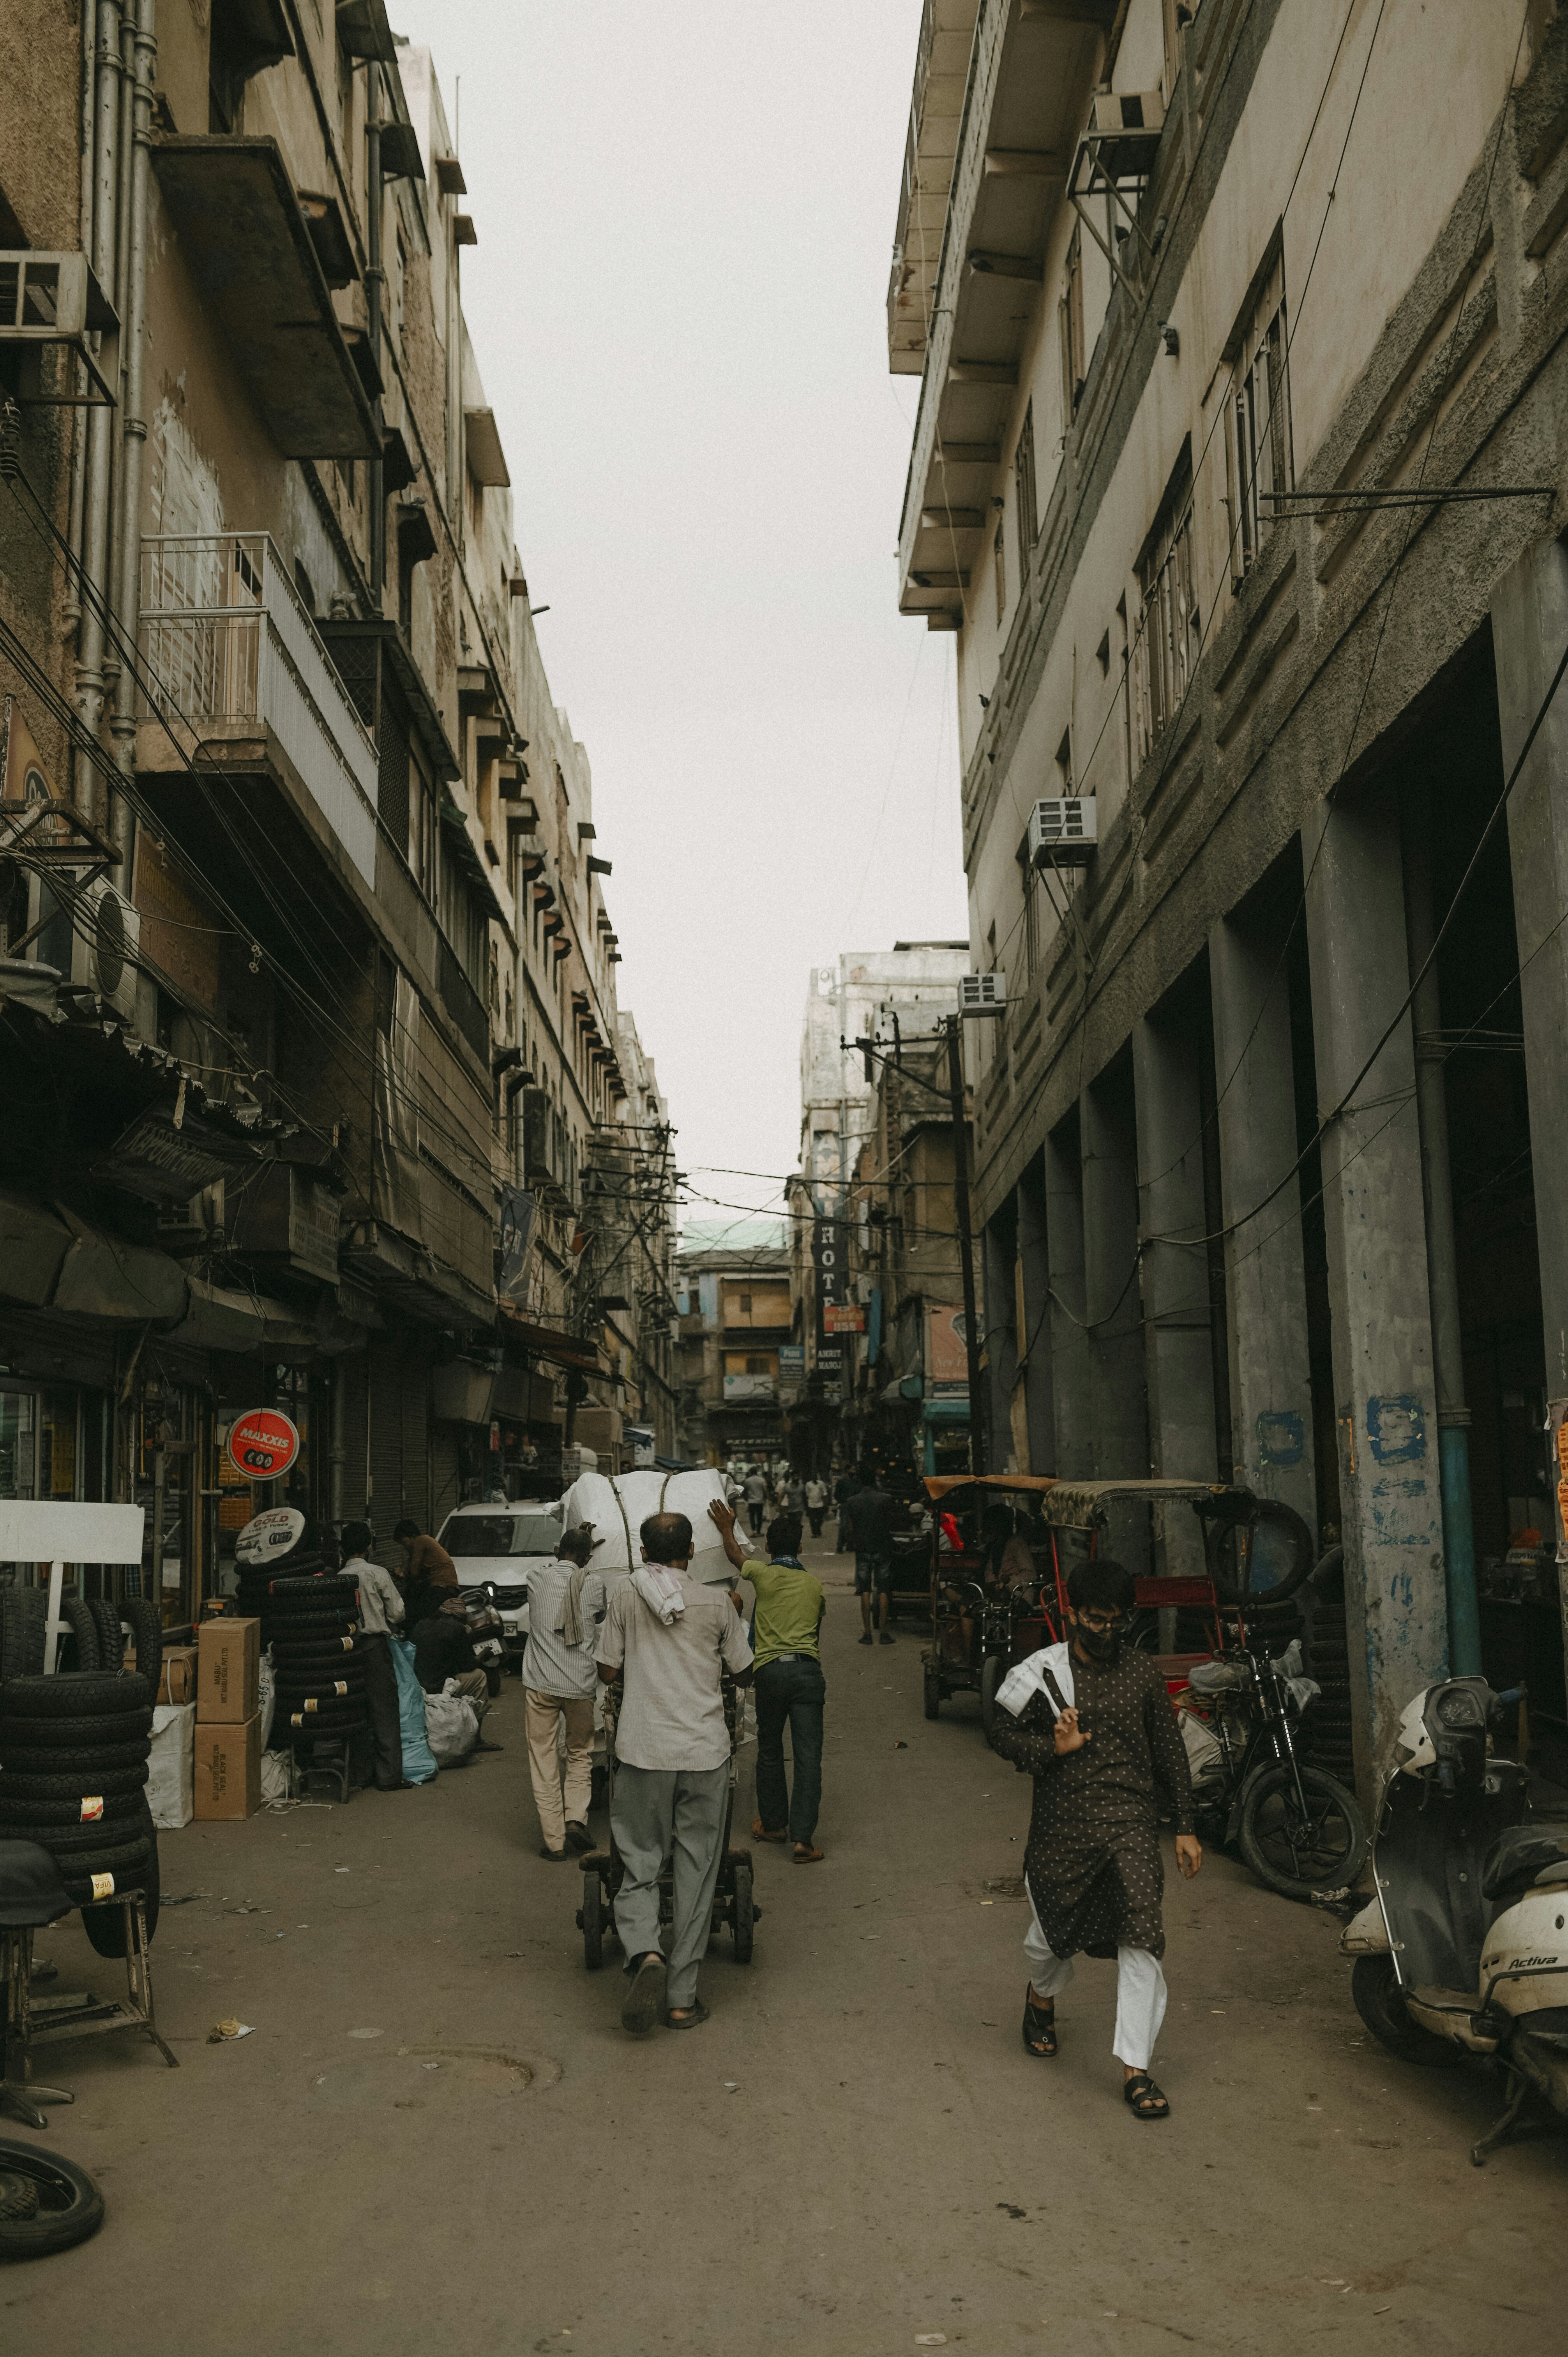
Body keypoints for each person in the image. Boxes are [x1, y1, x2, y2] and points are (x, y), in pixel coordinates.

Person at [986, 1557, 1200, 2122]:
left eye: (1117, 1622)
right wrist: (1050, 1751)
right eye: (1096, 1620)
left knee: (1142, 1929)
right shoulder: (1042, 1672)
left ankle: (1135, 2069)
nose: (1107, 1633)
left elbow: (1169, 1750)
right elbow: (1000, 1731)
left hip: (1130, 1823)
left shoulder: (1142, 1673)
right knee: (1051, 1938)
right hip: (1063, 1829)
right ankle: (1040, 1996)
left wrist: (1185, 1825)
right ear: (1072, 1613)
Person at [597, 1511, 753, 2033]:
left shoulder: (626, 1594)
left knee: (639, 1862)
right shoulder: (715, 1602)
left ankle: (645, 1953)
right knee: (696, 1872)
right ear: (690, 1552)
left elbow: (608, 1671)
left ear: (644, 1553)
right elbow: (743, 1670)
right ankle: (683, 1999)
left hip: (643, 1749)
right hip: (705, 1751)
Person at [711, 1502, 826, 1862]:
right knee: (809, 1757)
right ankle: (804, 1840)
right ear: (802, 1548)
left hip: (771, 1673)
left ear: (770, 1549)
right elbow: (815, 1635)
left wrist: (727, 1526)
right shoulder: (814, 1586)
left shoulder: (763, 1574)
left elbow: (734, 1555)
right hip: (808, 1673)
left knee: (771, 1748)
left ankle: (775, 1824)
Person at [520, 1523, 606, 1862]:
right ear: (588, 1558)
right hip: (579, 1685)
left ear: (557, 1552)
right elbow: (598, 1616)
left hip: (541, 1685)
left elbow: (560, 1563)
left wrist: (575, 1542)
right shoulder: (595, 1584)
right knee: (580, 1753)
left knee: (543, 1759)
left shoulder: (536, 1578)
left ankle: (554, 1843)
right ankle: (575, 1819)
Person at [341, 1521, 404, 1792]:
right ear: (369, 1547)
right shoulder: (377, 1573)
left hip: (346, 1651)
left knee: (356, 1710)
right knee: (384, 1710)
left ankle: (360, 1774)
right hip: (375, 1647)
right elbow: (398, 1614)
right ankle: (389, 1777)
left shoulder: (339, 1576)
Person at [411, 1595, 502, 1750]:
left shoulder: (420, 1625)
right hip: (440, 1686)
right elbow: (467, 1665)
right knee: (479, 1676)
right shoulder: (456, 1628)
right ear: (457, 1617)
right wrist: (481, 1657)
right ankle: (477, 1739)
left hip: (419, 1685)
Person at [841, 1470, 896, 1646]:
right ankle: (884, 1632)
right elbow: (892, 1524)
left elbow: (850, 1529)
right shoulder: (886, 1499)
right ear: (875, 1481)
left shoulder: (852, 1502)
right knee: (884, 1589)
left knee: (865, 1589)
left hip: (863, 1549)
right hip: (883, 1547)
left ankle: (867, 1633)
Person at [395, 1518, 458, 1628]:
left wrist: (403, 1573)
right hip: (442, 1586)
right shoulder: (424, 1543)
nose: (405, 1547)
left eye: (405, 1543)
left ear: (412, 1536)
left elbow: (414, 1572)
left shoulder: (421, 1541)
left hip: (441, 1587)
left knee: (418, 1615)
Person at [741, 1466, 768, 1537]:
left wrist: (746, 1499)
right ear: (757, 1472)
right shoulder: (761, 1480)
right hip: (760, 1501)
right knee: (759, 1517)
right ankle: (759, 1531)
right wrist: (766, 1498)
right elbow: (765, 1490)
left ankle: (754, 1531)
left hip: (751, 1501)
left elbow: (744, 1491)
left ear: (750, 1472)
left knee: (752, 1517)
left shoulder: (747, 1481)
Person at [803, 1474, 829, 1540]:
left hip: (820, 1504)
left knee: (820, 1519)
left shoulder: (821, 1484)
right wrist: (806, 1506)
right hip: (811, 1504)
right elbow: (807, 1494)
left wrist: (826, 1505)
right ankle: (815, 1533)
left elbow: (825, 1494)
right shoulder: (808, 1484)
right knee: (812, 1520)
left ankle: (818, 1529)